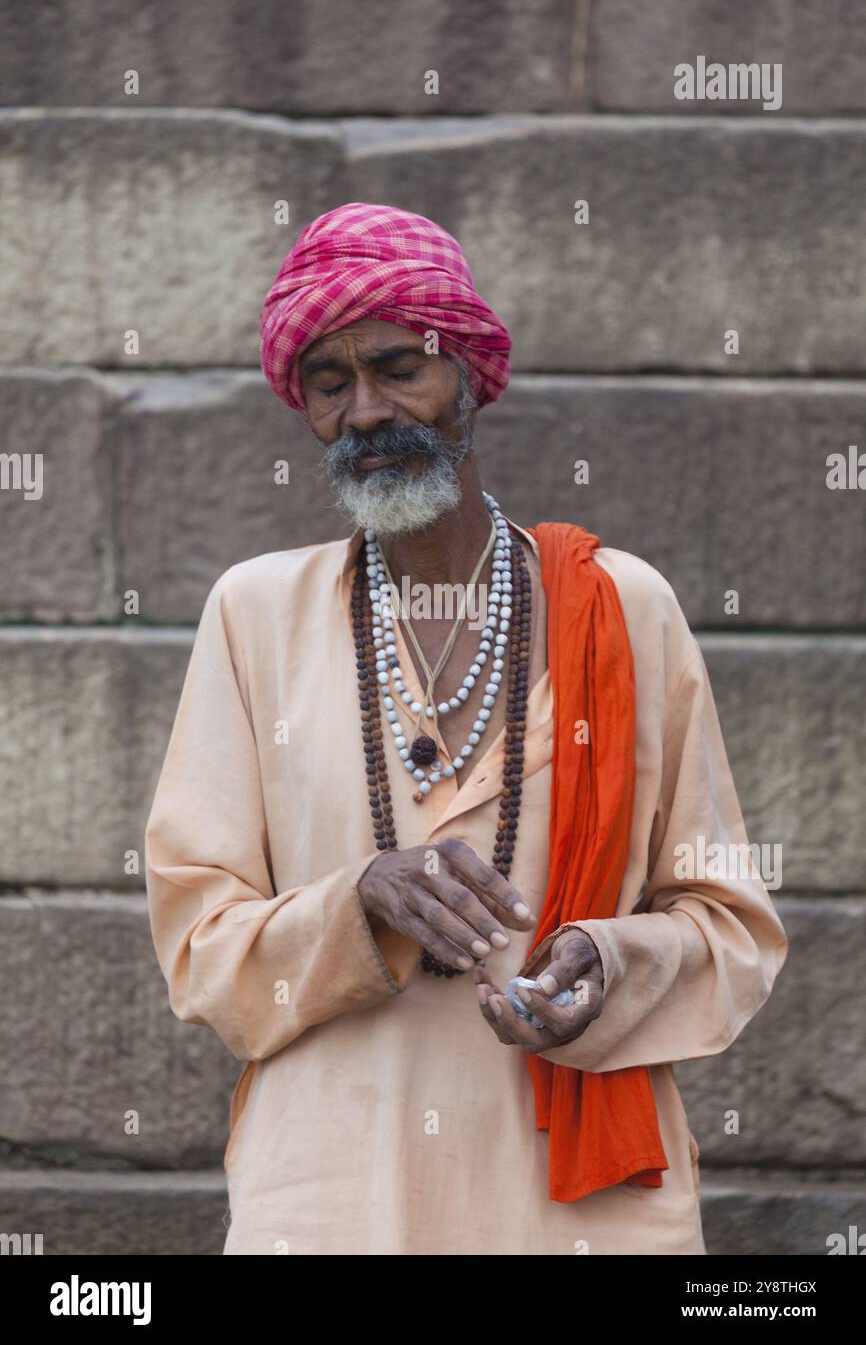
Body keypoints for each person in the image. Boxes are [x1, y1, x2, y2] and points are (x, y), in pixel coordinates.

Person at [144, 202, 788, 1255]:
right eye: (328, 382)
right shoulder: (253, 612)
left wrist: (606, 957)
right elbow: (200, 947)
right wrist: (355, 901)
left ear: (471, 376)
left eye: (399, 366)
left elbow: (728, 925)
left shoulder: (621, 608)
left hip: (574, 1199)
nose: (364, 412)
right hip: (330, 1192)